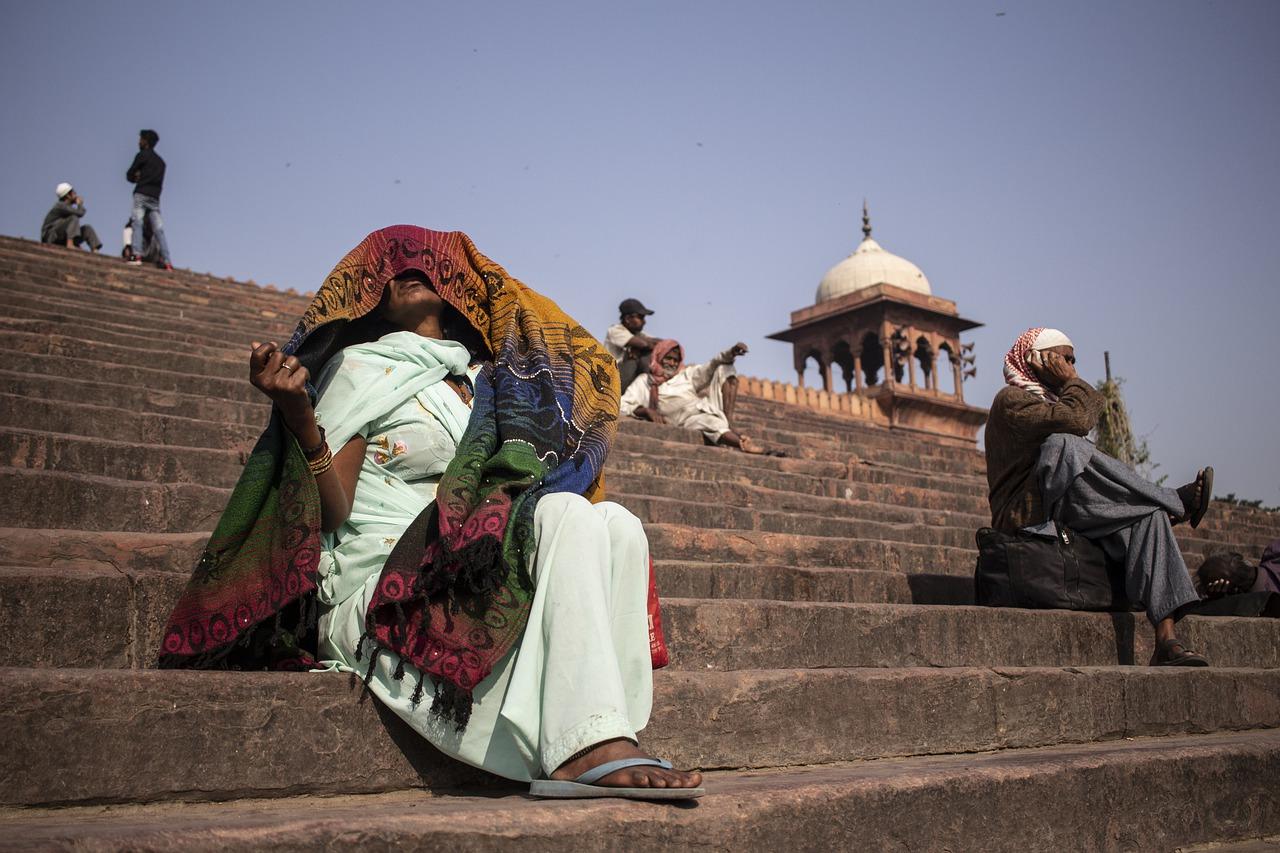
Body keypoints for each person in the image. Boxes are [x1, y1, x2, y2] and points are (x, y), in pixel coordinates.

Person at [157, 226, 703, 800]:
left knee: (615, 523)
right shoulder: (361, 366)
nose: (407, 267)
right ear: (370, 292)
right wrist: (300, 415)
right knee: (563, 513)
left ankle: (604, 725)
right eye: (390, 265)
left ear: (456, 289)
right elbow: (333, 510)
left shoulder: (489, 380)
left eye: (426, 260)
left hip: (466, 556)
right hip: (388, 575)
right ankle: (585, 747)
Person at [984, 327, 1214, 666]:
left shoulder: (1055, 401)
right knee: (1063, 445)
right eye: (1064, 358)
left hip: (1067, 504)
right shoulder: (1012, 400)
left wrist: (1067, 384)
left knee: (1146, 517)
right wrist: (1071, 381)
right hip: (1026, 513)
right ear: (1036, 359)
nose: (1070, 366)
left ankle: (1166, 639)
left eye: (1073, 360)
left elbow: (1077, 420)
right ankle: (1171, 501)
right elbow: (1078, 419)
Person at [620, 338, 775, 455]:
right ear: (659, 357)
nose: (672, 363)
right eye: (668, 358)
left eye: (676, 360)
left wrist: (730, 353)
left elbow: (711, 365)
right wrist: (644, 410)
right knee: (709, 422)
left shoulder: (686, 376)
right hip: (686, 420)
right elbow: (622, 404)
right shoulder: (645, 382)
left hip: (705, 408)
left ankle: (729, 424)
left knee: (725, 367)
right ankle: (742, 443)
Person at [125, 129, 172, 270]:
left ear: (145, 141)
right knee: (159, 230)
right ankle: (167, 261)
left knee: (137, 223)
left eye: (140, 139)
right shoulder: (161, 163)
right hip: (155, 198)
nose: (139, 142)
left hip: (141, 194)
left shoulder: (142, 156)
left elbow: (129, 174)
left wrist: (136, 177)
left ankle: (137, 255)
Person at [604, 298, 659, 393]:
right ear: (628, 319)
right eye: (640, 317)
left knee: (647, 352)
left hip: (628, 376)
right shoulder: (615, 330)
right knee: (639, 355)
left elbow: (661, 343)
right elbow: (644, 344)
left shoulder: (638, 334)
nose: (644, 321)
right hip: (612, 377)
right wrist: (642, 346)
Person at [40, 183, 101, 252]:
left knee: (87, 229)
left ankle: (95, 251)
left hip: (61, 237)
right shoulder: (60, 205)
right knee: (73, 217)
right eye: (73, 192)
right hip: (51, 238)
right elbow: (80, 213)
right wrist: (80, 204)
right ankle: (70, 244)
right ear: (68, 195)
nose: (75, 194)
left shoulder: (67, 207)